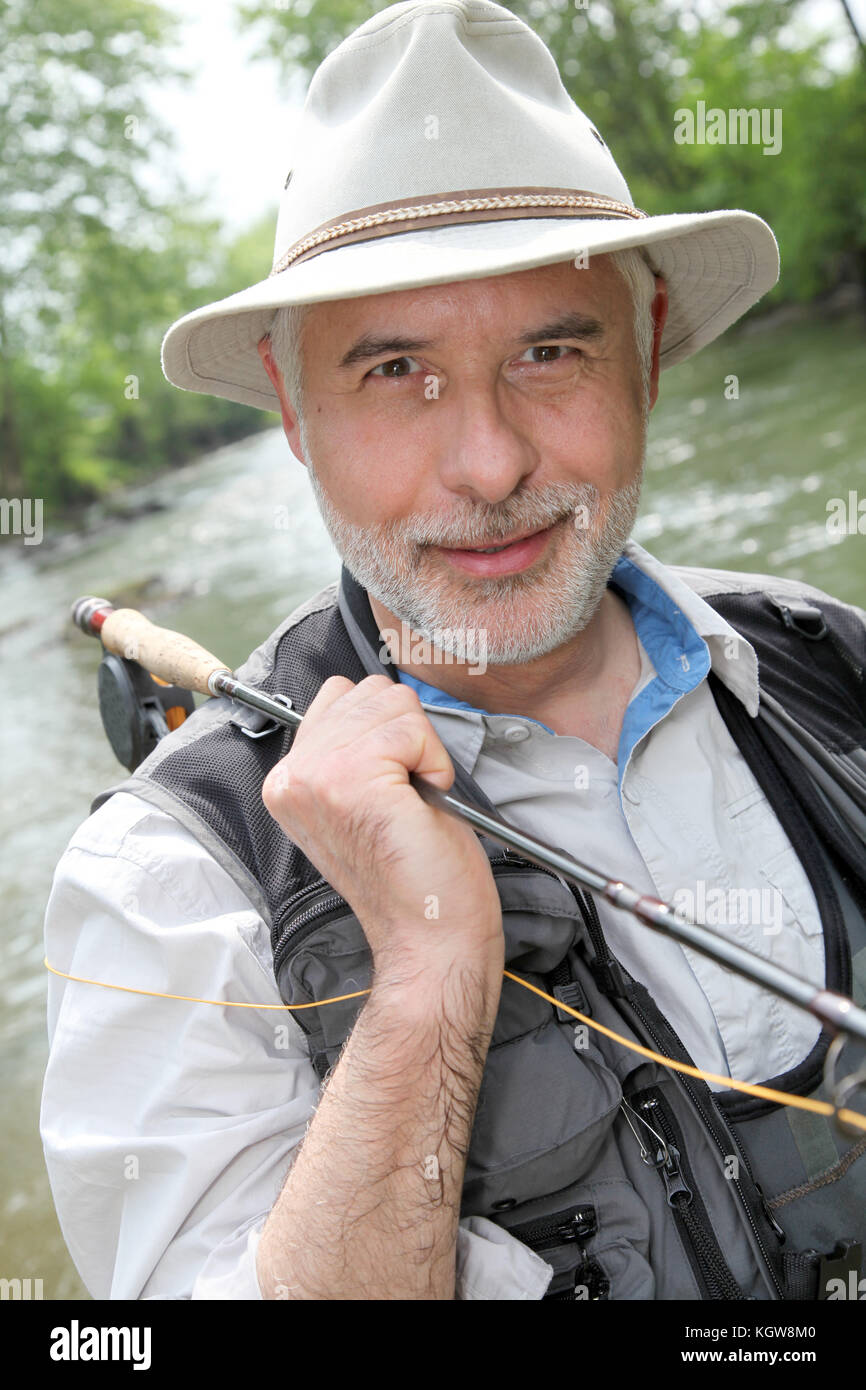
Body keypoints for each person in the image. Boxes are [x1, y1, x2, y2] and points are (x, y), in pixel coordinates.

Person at [42, 0, 866, 1301]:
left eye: (552, 349)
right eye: (393, 372)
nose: (489, 463)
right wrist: (425, 983)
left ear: (646, 356)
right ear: (295, 411)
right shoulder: (167, 891)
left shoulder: (832, 657)